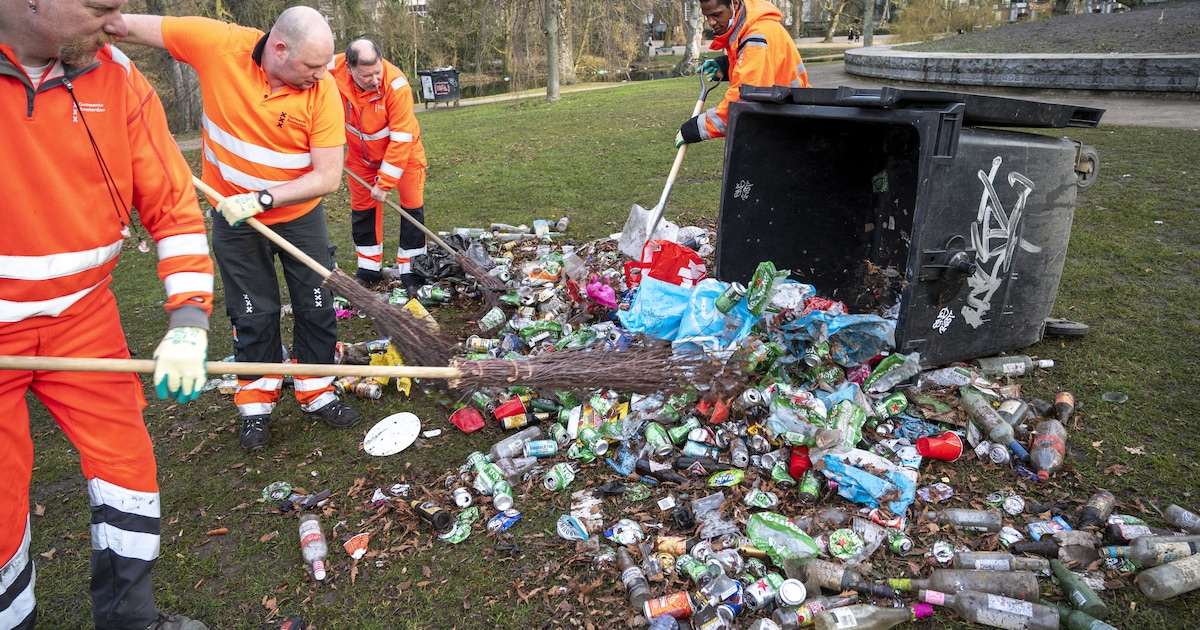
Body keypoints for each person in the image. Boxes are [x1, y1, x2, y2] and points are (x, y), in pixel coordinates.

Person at [1, 1, 214, 628]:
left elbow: (173, 209)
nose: (117, 23)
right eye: (101, 7)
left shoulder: (118, 76)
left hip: (83, 319)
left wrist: (189, 321)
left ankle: (131, 619)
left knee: (127, 469)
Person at [122, 6, 361, 452]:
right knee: (253, 311)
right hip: (233, 223)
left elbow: (328, 177)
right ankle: (256, 402)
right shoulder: (218, 45)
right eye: (312, 65)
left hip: (298, 217)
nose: (322, 74)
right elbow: (126, 25)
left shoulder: (322, 90)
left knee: (315, 304)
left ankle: (316, 390)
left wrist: (261, 198)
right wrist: (78, 33)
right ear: (279, 48)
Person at [329, 39, 429, 294]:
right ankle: (369, 269)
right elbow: (305, 67)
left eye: (377, 72)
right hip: (361, 159)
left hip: (404, 156)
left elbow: (401, 139)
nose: (374, 80)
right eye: (366, 75)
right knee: (363, 212)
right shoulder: (333, 67)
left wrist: (384, 182)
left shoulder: (397, 86)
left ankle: (412, 270)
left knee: (411, 209)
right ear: (349, 68)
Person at [676, 0, 809, 149]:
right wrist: (726, 66)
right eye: (707, 16)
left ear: (734, 4)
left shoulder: (756, 36)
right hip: (785, 117)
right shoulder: (753, 26)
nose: (711, 22)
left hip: (784, 126)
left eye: (716, 14)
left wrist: (697, 127)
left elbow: (743, 102)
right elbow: (763, 68)